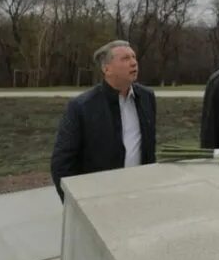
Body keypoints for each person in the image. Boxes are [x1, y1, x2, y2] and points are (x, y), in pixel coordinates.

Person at [50, 40, 157, 200]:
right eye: (125, 59)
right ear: (106, 69)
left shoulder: (146, 97)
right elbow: (62, 163)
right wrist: (74, 204)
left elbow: (149, 147)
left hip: (139, 191)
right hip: (100, 197)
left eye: (134, 57)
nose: (134, 62)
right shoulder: (82, 106)